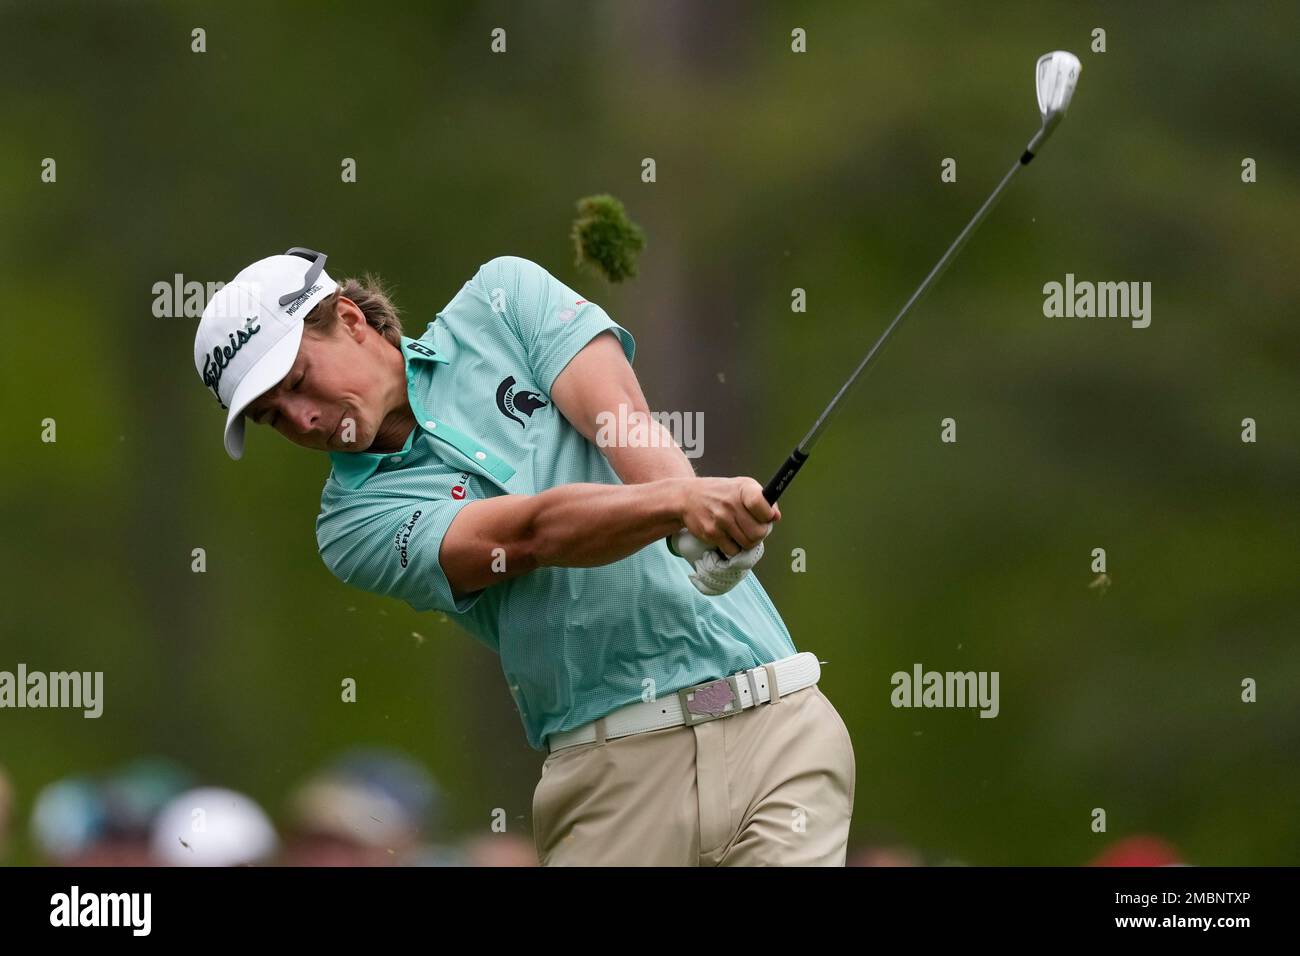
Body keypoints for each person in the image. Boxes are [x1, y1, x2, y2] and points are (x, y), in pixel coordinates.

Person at [192, 247, 855, 865]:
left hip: (778, 725)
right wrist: (681, 508)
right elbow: (532, 537)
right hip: (615, 783)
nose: (302, 420)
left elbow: (622, 420)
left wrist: (693, 514)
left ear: (348, 319)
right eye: (274, 417)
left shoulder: (502, 299)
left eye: (299, 381)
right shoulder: (351, 524)